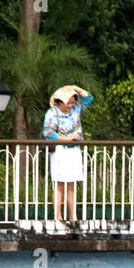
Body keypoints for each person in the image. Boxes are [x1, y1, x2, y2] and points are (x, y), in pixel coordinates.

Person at [42, 84, 93, 226]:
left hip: (74, 150)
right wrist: (67, 139)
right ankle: (58, 215)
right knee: (59, 184)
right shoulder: (52, 113)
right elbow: (48, 133)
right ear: (60, 102)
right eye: (68, 102)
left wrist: (76, 88)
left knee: (71, 184)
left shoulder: (76, 109)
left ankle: (73, 216)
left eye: (72, 102)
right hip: (60, 150)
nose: (71, 105)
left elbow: (89, 99)